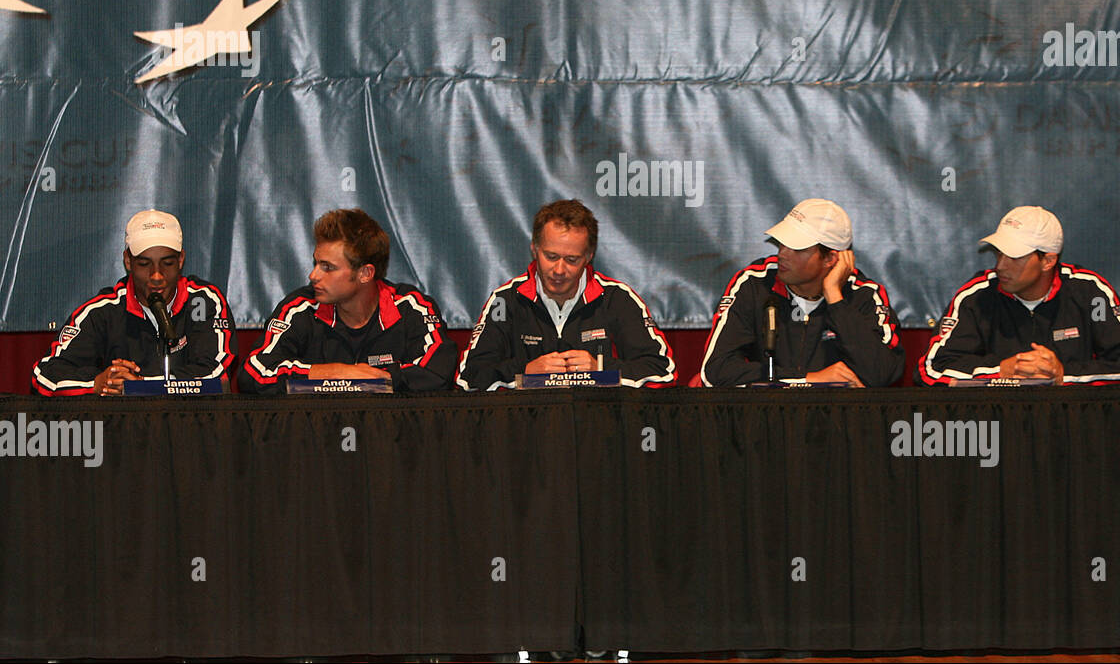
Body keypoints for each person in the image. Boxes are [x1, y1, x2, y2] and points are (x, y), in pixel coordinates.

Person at [917, 205, 1120, 385]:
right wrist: (1001, 371)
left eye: (1015, 256)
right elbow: (931, 369)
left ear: (1048, 261)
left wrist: (1064, 375)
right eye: (999, 254)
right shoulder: (976, 297)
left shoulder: (1089, 292)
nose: (1001, 266)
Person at [456, 199, 675, 390]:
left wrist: (600, 371)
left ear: (589, 256)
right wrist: (524, 374)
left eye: (571, 260)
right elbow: (469, 378)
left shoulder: (618, 300)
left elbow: (663, 373)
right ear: (534, 250)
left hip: (599, 433)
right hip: (528, 433)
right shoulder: (505, 302)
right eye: (551, 256)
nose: (559, 270)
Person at [240, 208, 457, 393]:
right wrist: (335, 372)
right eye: (315, 263)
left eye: (328, 267)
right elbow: (253, 372)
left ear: (365, 274)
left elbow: (438, 371)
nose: (313, 275)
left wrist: (376, 378)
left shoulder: (410, 306)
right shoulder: (301, 306)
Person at [700, 199, 904, 387]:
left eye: (797, 248)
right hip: (769, 419)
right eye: (782, 243)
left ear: (830, 258)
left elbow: (882, 375)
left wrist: (835, 299)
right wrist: (806, 379)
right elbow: (715, 371)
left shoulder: (864, 295)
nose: (782, 254)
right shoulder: (755, 283)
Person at [32, 209, 236, 395]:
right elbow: (45, 375)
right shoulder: (103, 311)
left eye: (167, 263)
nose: (157, 275)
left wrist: (139, 386)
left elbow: (215, 376)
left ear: (181, 260)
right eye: (144, 264)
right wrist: (99, 383)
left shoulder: (203, 301)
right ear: (128, 261)